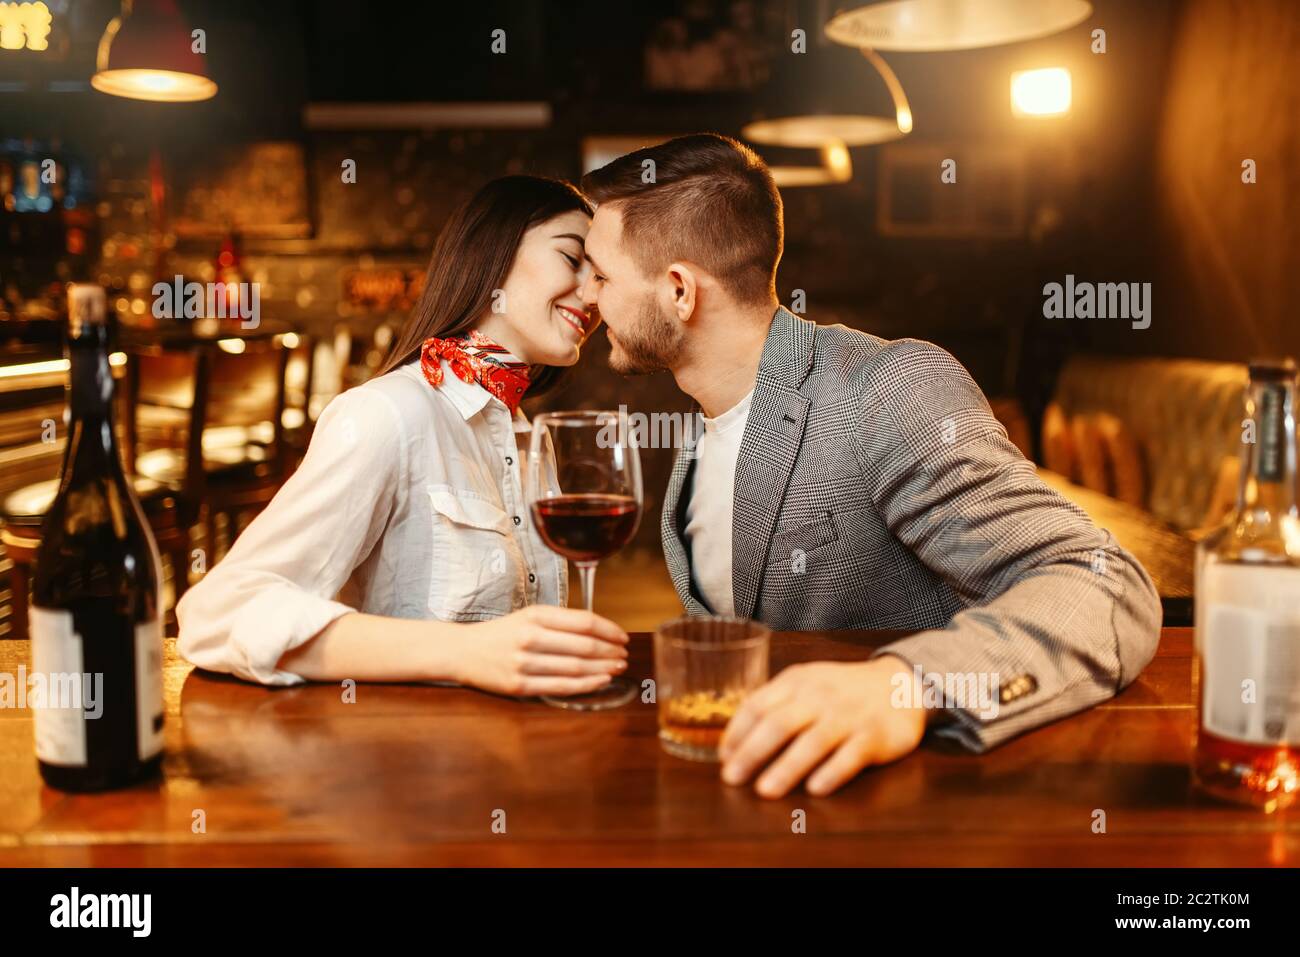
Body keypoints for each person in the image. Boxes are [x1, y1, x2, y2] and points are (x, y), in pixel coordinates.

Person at [578, 133, 1162, 798]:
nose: (590, 300)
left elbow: (1108, 586)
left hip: (916, 810)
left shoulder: (885, 387)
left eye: (601, 276)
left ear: (679, 290)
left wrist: (905, 684)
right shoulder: (705, 417)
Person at [177, 176, 629, 696]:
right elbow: (219, 614)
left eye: (600, 276)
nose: (593, 293)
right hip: (400, 762)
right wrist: (466, 653)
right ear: (493, 256)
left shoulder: (527, 435)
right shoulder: (386, 413)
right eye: (572, 259)